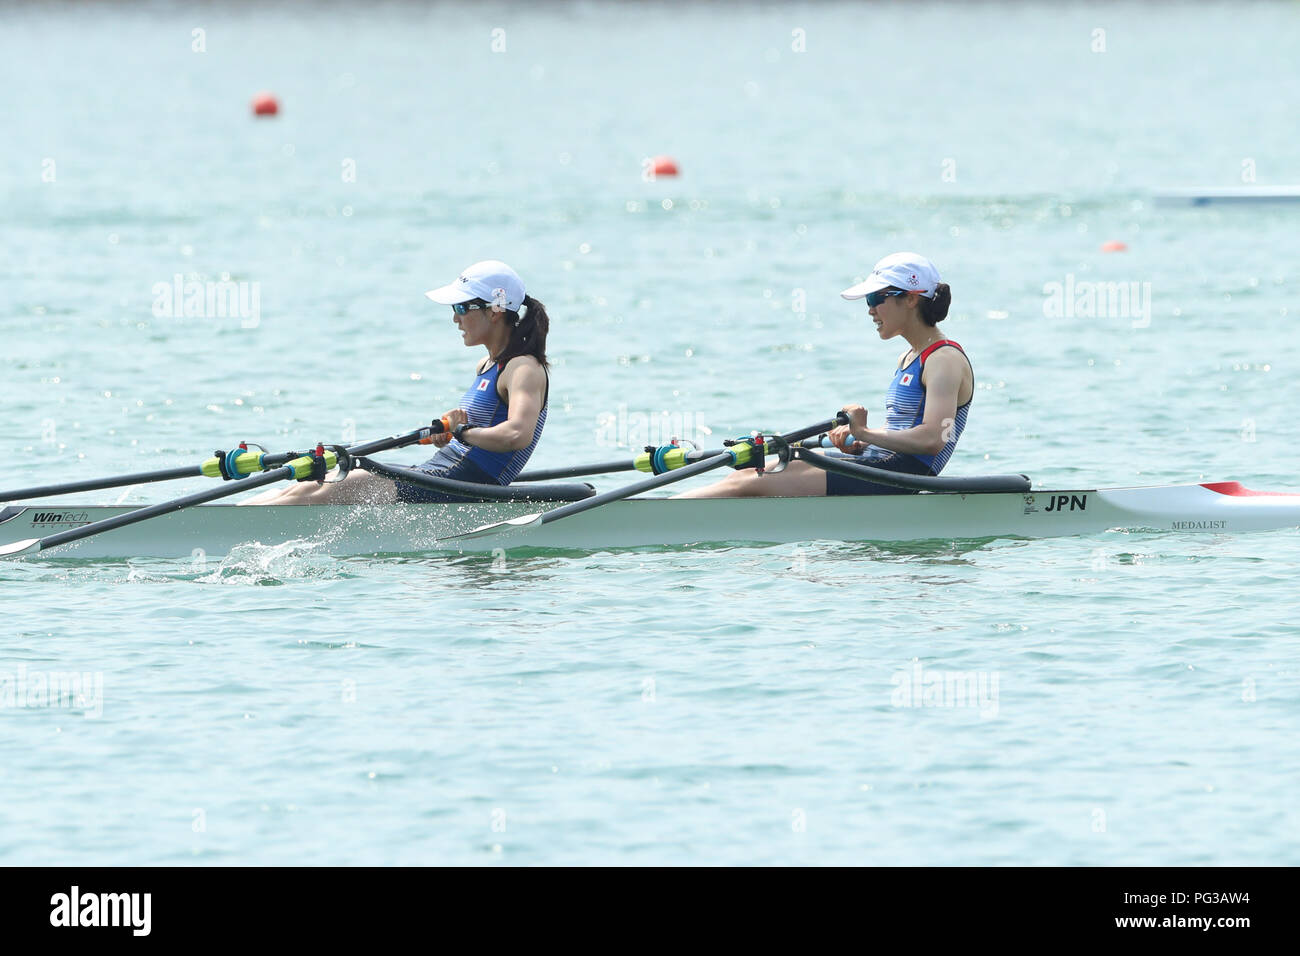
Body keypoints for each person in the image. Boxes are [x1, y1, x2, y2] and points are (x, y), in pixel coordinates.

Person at [244, 260, 550, 505]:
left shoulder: (524, 368)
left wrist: (464, 433)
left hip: (468, 487)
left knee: (334, 485)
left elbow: (516, 435)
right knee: (317, 481)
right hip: (440, 473)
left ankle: (232, 528)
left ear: (495, 311)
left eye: (461, 307)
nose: (455, 318)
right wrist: (452, 432)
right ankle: (234, 514)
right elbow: (481, 431)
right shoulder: (487, 365)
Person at [676, 252, 972, 498]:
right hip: (880, 464)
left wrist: (864, 432)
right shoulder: (909, 357)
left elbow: (935, 439)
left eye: (875, 299)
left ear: (910, 298)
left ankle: (661, 517)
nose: (870, 311)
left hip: (903, 478)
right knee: (754, 469)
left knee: (754, 480)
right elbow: (905, 429)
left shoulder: (944, 360)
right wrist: (863, 442)